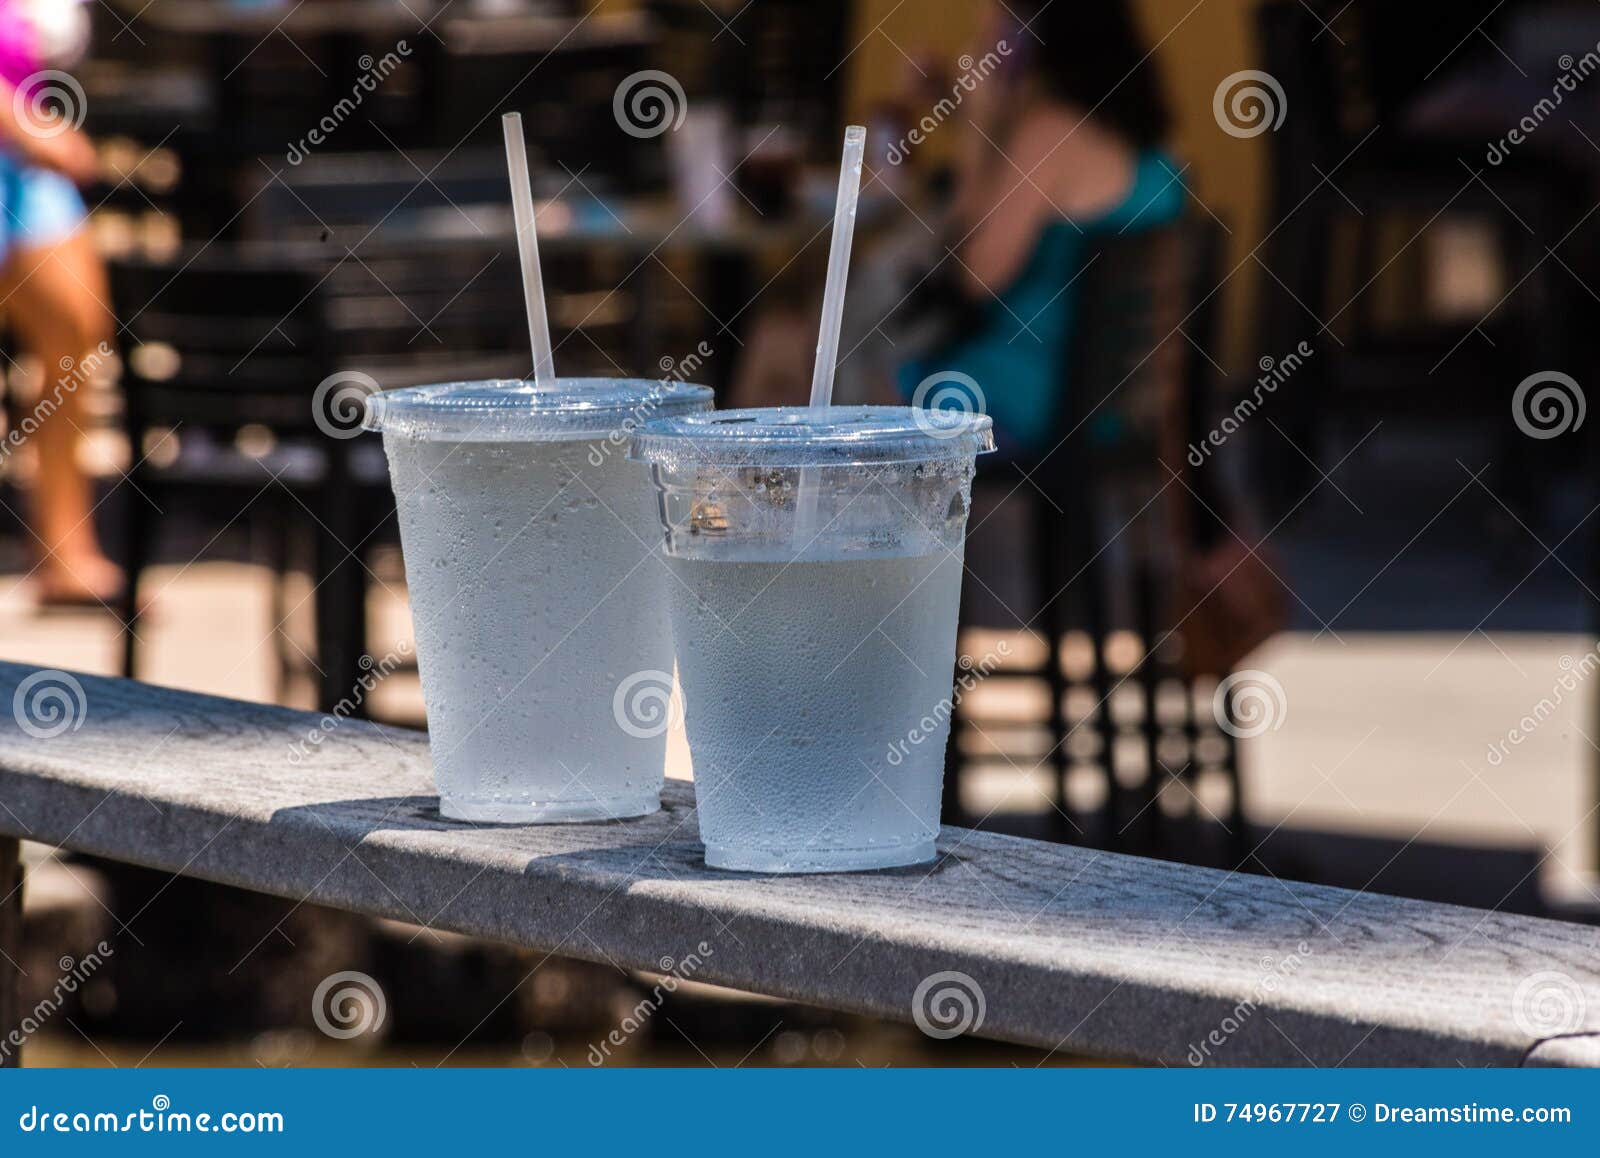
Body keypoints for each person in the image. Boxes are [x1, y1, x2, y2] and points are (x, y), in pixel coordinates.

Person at [882, 0, 1184, 455]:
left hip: (1035, 398)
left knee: (861, 373)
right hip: (1123, 399)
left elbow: (970, 275)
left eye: (996, 29)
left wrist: (978, 130)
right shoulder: (1152, 154)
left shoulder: (1048, 134)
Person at [0, 0, 119, 606]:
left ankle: (65, 552)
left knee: (75, 340)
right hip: (23, 141)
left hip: (21, 172)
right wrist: (25, 125)